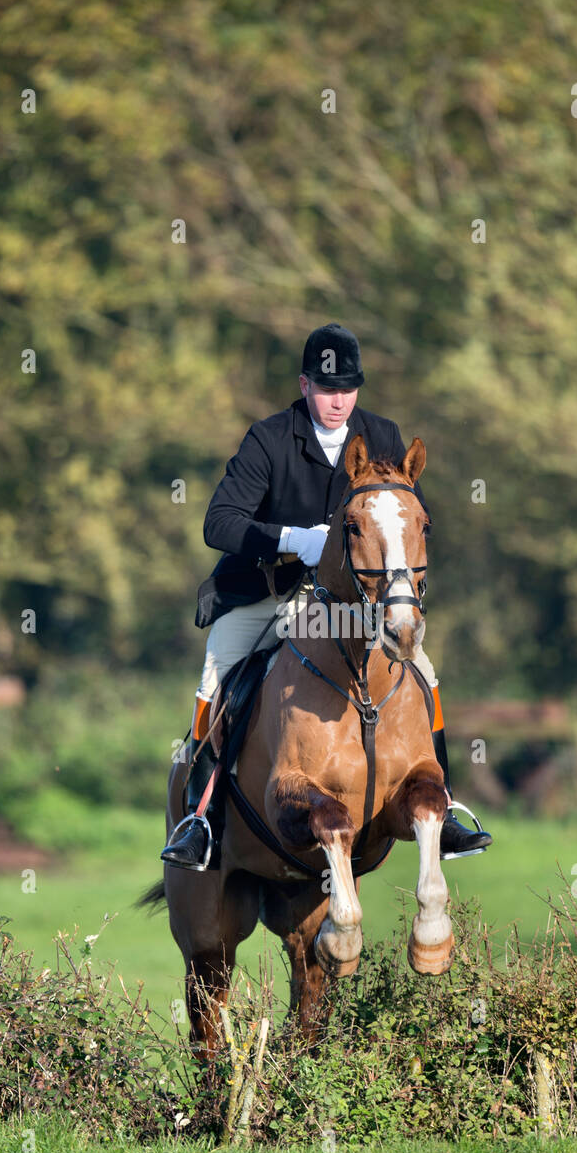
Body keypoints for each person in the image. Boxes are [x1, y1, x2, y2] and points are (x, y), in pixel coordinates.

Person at [162, 322, 492, 869]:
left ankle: (446, 805)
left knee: (426, 676)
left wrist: (399, 589)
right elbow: (218, 523)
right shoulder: (269, 438)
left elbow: (409, 521)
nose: (337, 400)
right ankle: (202, 817)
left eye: (347, 389)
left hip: (352, 604)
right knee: (216, 674)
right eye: (325, 388)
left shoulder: (383, 434)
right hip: (267, 593)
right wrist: (293, 540)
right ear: (304, 384)